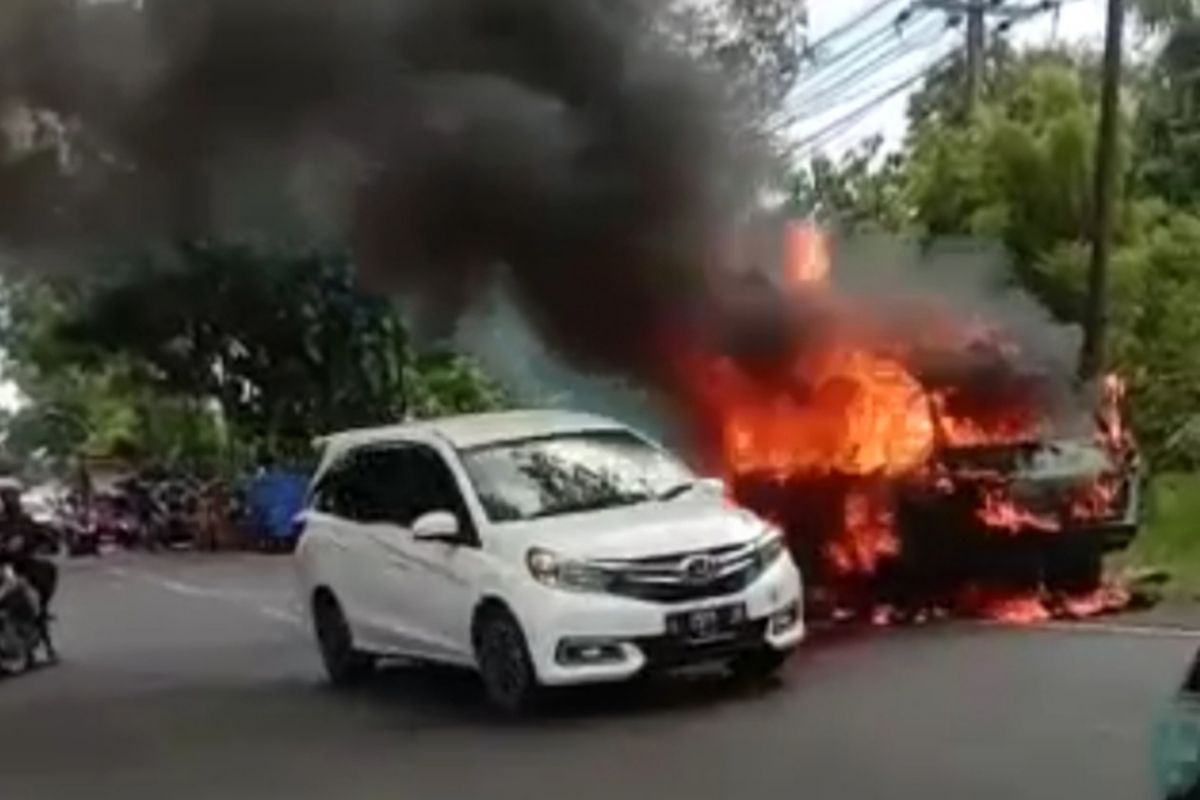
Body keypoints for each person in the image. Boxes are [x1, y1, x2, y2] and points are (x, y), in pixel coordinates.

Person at [0, 483, 58, 661]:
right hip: (4, 565)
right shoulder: (2, 521)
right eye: (6, 496)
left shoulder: (25, 520)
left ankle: (42, 621)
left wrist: (46, 541)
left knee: (44, 576)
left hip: (23, 565)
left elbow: (43, 535)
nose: (10, 500)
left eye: (12, 496)